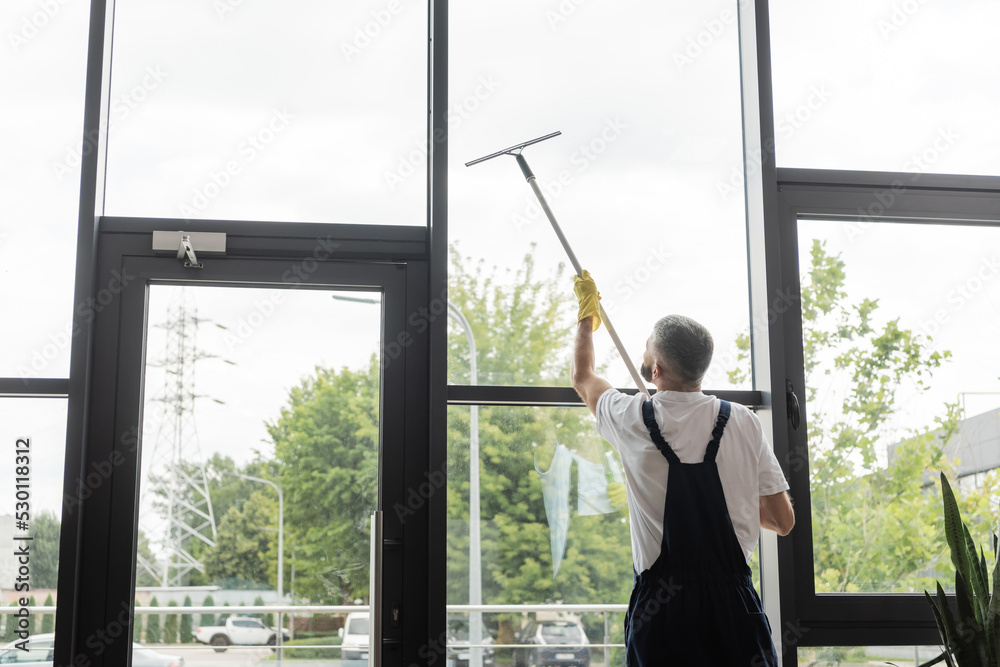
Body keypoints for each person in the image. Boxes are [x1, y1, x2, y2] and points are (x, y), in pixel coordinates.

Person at [570, 270, 794, 666]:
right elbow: (782, 520)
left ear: (655, 370)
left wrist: (587, 317)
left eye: (646, 350)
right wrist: (737, 504)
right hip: (735, 615)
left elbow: (583, 377)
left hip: (662, 616)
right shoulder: (743, 421)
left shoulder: (632, 417)